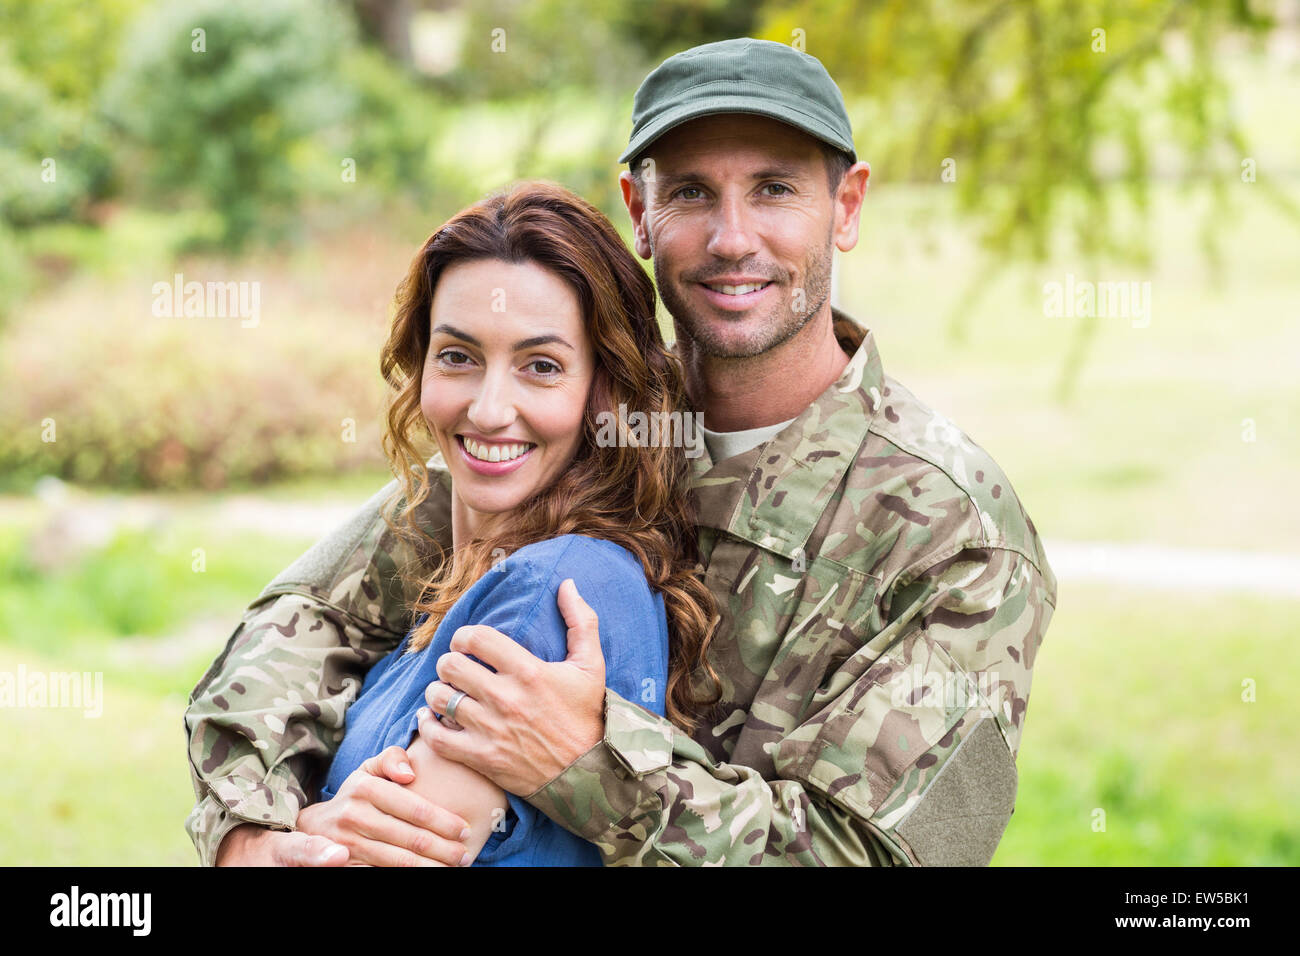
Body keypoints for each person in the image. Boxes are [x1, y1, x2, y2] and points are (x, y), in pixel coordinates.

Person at [187, 37, 1057, 867]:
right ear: (640, 212)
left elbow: (879, 853)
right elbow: (306, 618)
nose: (731, 238)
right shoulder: (588, 422)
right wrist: (252, 832)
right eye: (689, 193)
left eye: (775, 190)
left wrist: (594, 765)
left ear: (848, 206)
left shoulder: (956, 532)